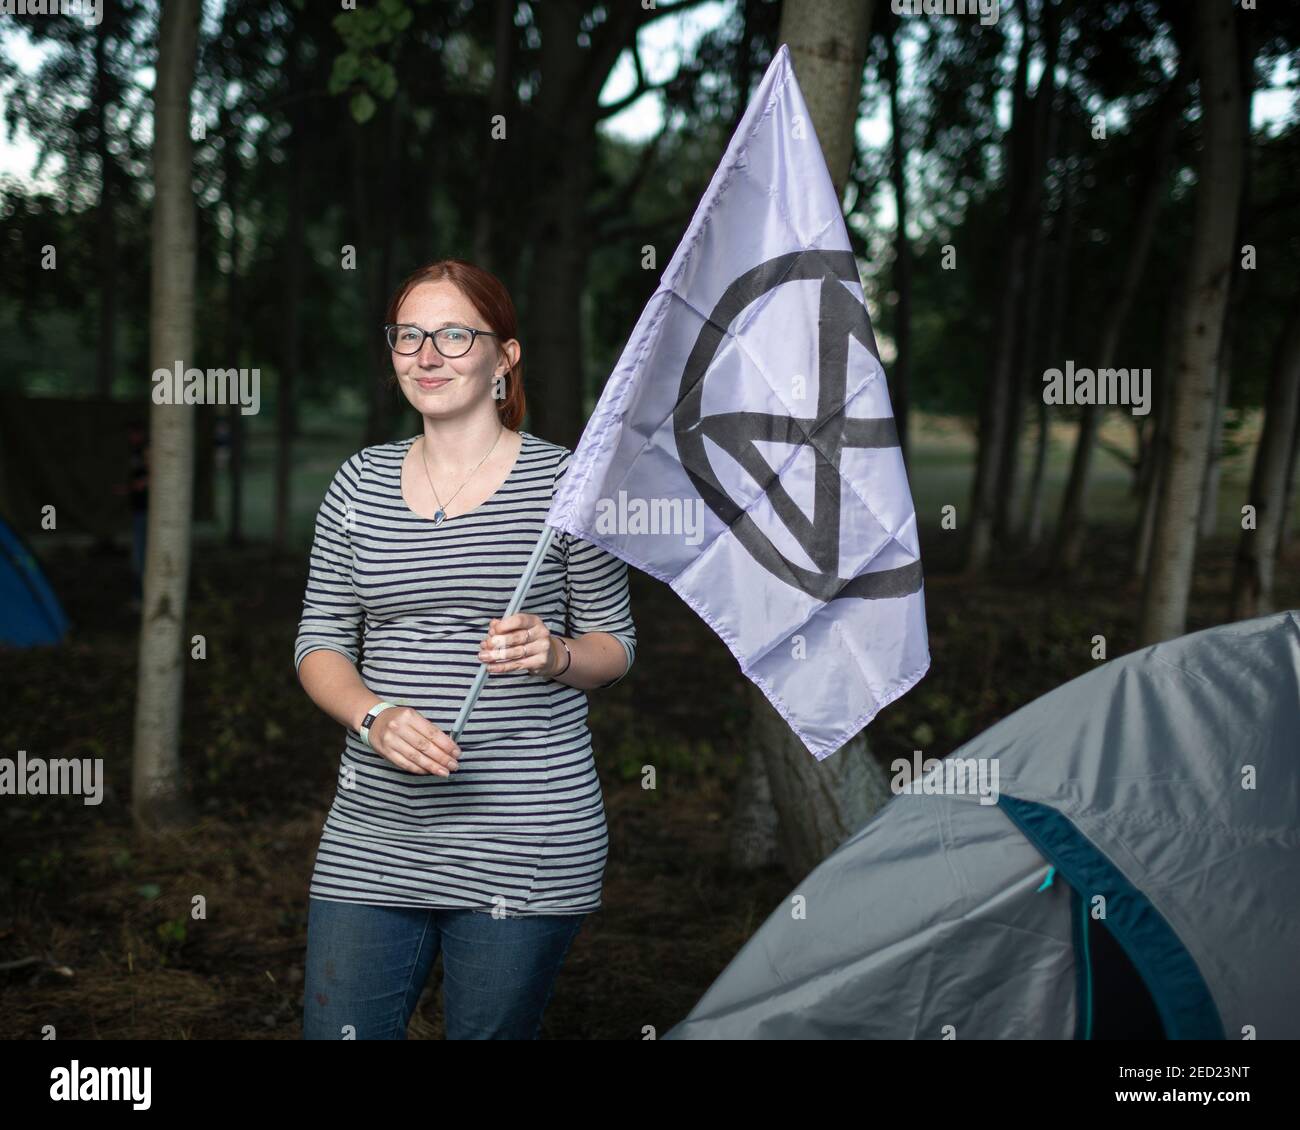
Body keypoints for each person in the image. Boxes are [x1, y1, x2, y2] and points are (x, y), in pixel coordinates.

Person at [296, 259, 635, 1040]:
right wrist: (373, 716)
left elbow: (616, 645)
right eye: (408, 335)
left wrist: (556, 657)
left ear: (503, 356)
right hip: (372, 836)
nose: (426, 354)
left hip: (527, 840)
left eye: (454, 334)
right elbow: (319, 641)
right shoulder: (359, 483)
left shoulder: (569, 485)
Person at [126, 420, 149, 611]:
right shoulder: (135, 452)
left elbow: (153, 475)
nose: (131, 438)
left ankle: (139, 597)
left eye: (134, 433)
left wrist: (139, 485)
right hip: (139, 510)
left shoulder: (146, 450)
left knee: (140, 556)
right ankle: (138, 596)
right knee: (138, 555)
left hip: (146, 511)